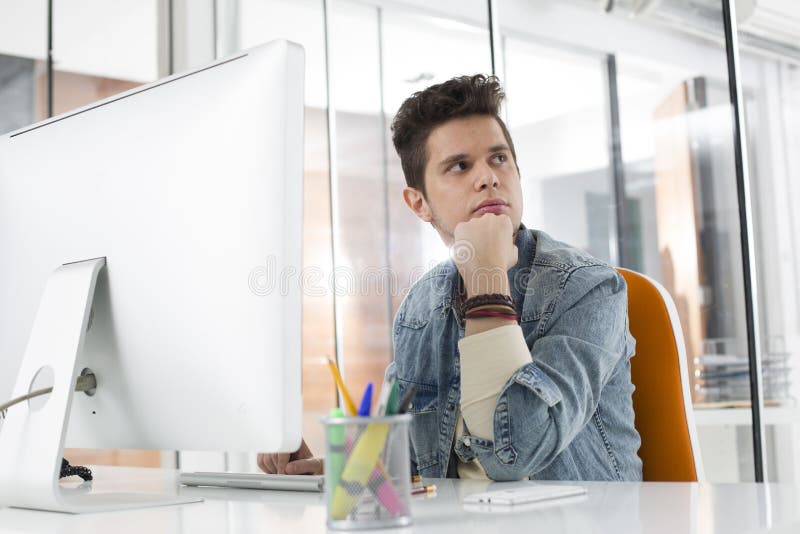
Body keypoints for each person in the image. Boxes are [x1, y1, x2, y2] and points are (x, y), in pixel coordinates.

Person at [258, 74, 642, 481]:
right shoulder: (420, 307)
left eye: (499, 159)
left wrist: (487, 278)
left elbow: (515, 454)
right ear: (419, 203)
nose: (488, 177)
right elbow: (406, 455)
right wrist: (325, 466)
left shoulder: (587, 288)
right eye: (460, 166)